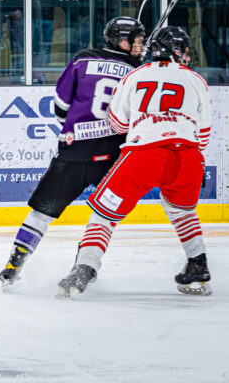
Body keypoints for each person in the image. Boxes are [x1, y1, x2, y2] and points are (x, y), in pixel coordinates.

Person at [57, 26, 212, 297]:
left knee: (104, 214)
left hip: (144, 154)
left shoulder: (135, 75)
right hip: (186, 155)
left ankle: (85, 268)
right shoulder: (196, 80)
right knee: (182, 211)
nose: (187, 55)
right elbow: (204, 135)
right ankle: (198, 265)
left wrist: (146, 121)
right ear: (176, 51)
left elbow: (117, 123)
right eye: (184, 50)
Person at [0, 16, 145, 288]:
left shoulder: (82, 59)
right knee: (105, 215)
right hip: (112, 158)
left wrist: (77, 131)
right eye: (135, 41)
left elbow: (60, 105)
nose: (139, 46)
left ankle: (13, 264)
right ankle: (84, 266)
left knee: (42, 212)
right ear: (120, 40)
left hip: (72, 152)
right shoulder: (138, 73)